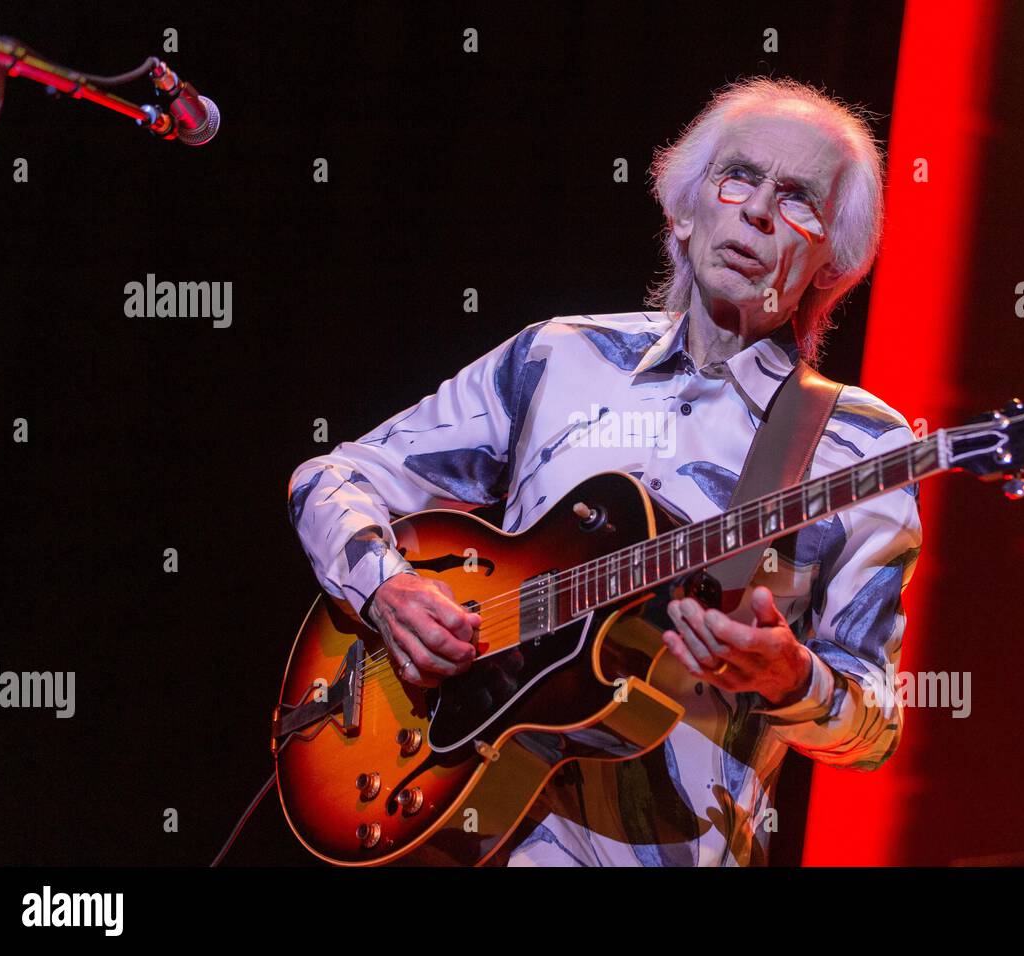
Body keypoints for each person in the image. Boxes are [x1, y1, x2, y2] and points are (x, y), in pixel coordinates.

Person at [287, 76, 922, 866]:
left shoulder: (860, 445)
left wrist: (790, 675)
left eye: (799, 200)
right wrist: (385, 588)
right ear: (683, 211)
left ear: (834, 263)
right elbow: (335, 476)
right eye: (739, 177)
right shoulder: (559, 356)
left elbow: (874, 728)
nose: (758, 210)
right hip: (455, 829)